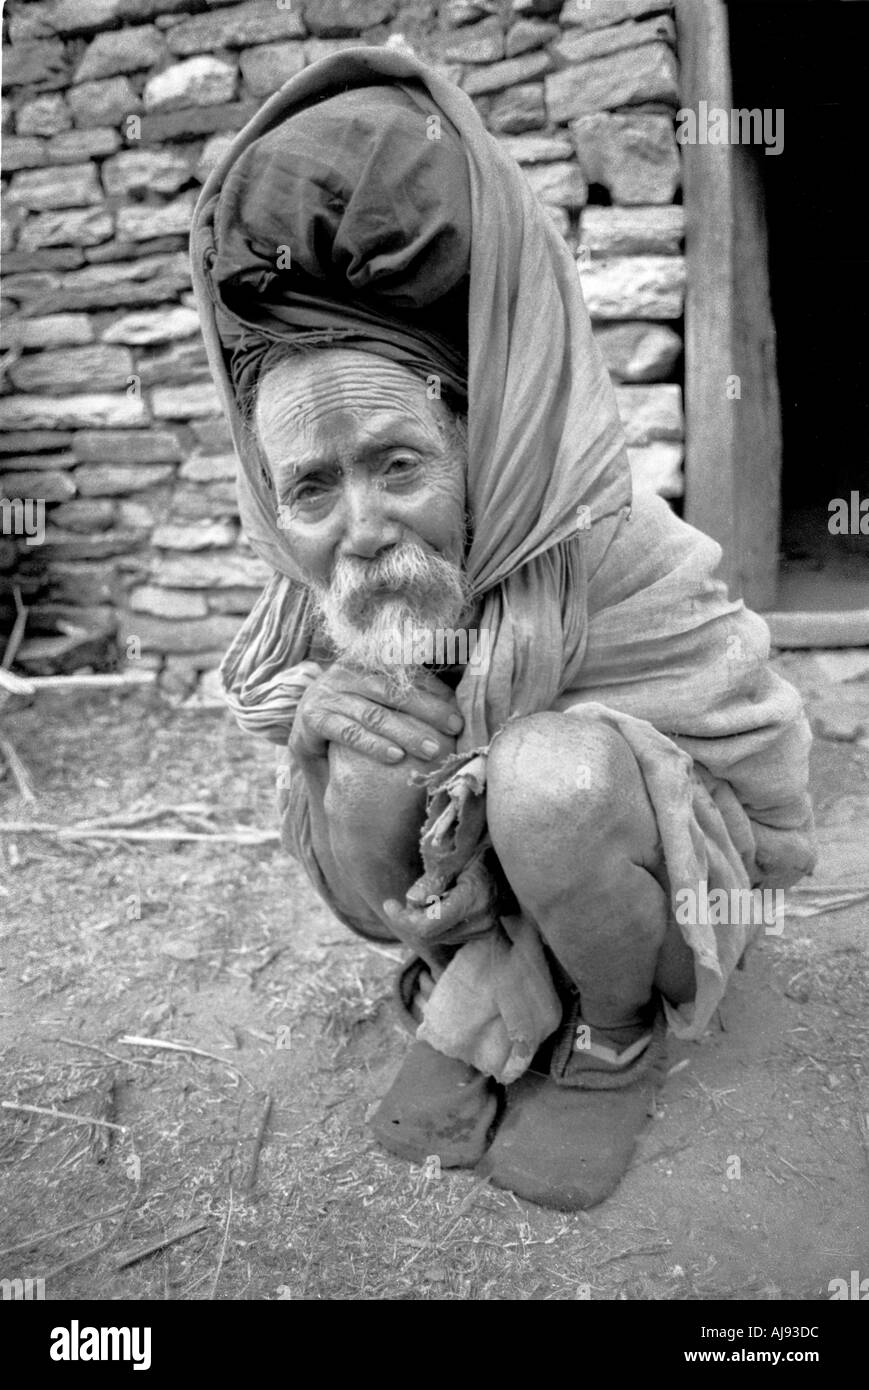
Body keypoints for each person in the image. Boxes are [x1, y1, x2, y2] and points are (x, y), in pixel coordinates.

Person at [190, 46, 816, 1210]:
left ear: (482, 442)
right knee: (365, 743)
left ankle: (614, 1034)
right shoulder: (322, 584)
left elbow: (762, 778)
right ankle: (474, 967)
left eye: (400, 464)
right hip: (488, 877)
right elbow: (334, 833)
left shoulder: (603, 539)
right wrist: (322, 731)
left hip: (658, 871)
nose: (363, 528)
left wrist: (552, 771)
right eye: (314, 488)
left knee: (546, 781)